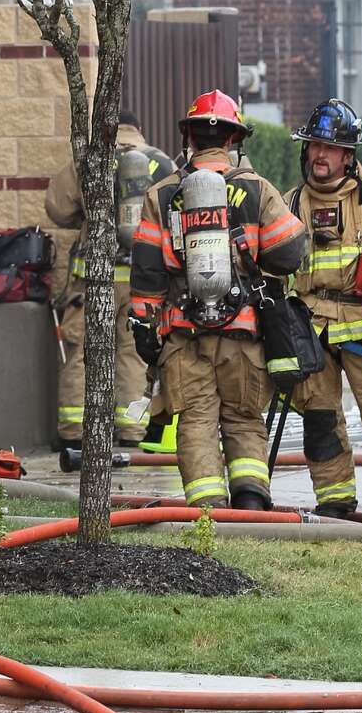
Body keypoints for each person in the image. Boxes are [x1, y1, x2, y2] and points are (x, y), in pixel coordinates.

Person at [129, 90, 307, 509]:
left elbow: (147, 271)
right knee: (244, 420)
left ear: (188, 137)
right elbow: (289, 254)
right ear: (232, 140)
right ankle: (250, 504)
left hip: (183, 335)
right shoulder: (257, 189)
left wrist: (143, 326)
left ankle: (207, 513)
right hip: (244, 335)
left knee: (195, 423)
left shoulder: (161, 194)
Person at [286, 98, 362, 515]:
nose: (320, 154)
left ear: (348, 154)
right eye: (314, 145)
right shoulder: (287, 206)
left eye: (330, 147)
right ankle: (335, 503)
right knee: (320, 421)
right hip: (312, 337)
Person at [44, 110, 171, 446]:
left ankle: (75, 433)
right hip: (141, 281)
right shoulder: (162, 163)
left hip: (92, 281)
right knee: (133, 356)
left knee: (80, 353)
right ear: (139, 130)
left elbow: (57, 208)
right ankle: (132, 430)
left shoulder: (92, 159)